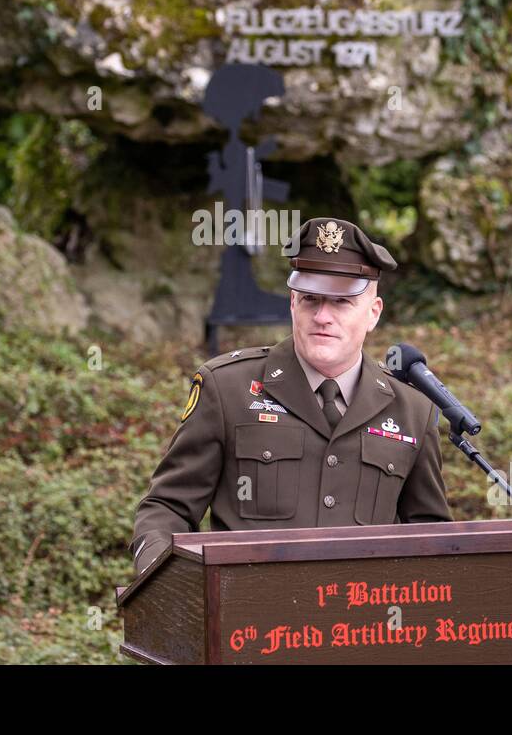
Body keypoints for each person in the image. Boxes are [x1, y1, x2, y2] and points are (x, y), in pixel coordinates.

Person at [129, 217, 452, 575]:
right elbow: (167, 508)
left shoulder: (411, 409)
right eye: (311, 299)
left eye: (342, 302)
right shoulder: (228, 389)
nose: (322, 316)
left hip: (363, 624)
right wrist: (169, 587)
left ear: (373, 313)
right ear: (292, 303)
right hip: (248, 620)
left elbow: (431, 539)